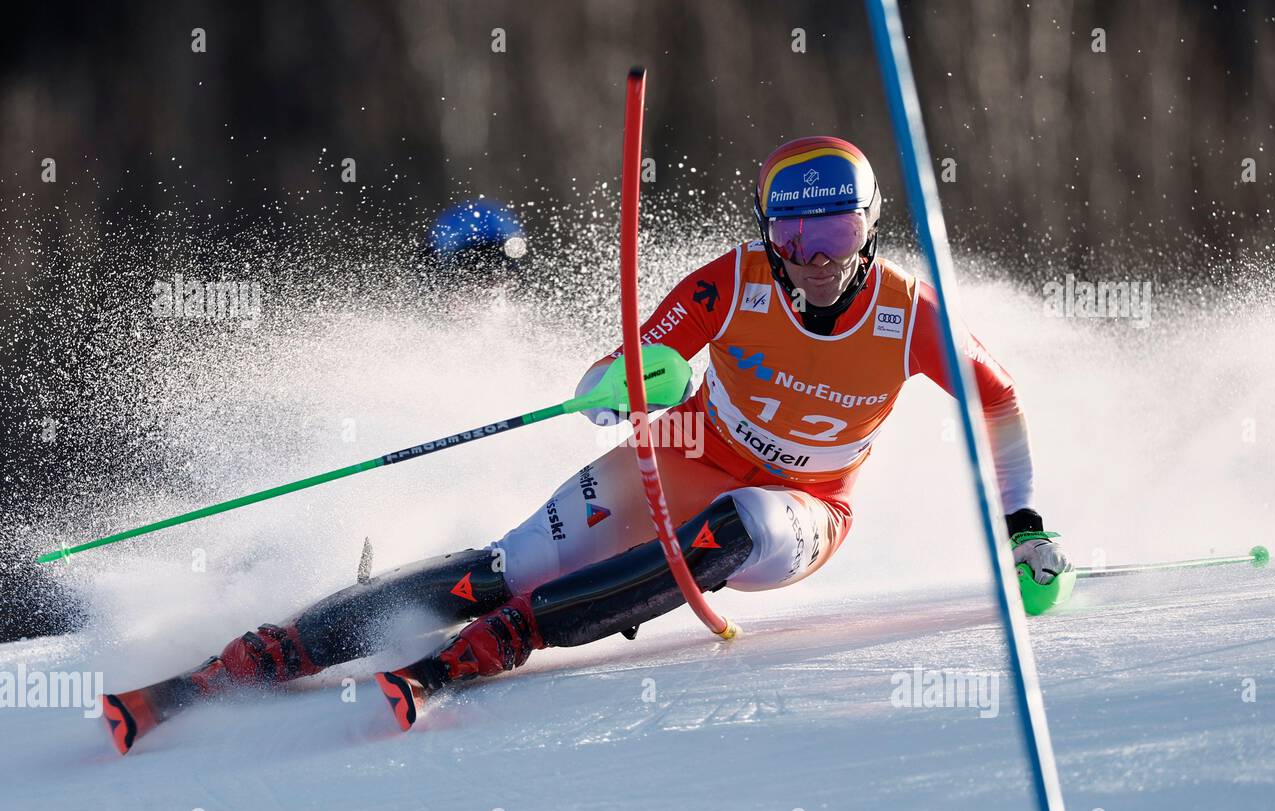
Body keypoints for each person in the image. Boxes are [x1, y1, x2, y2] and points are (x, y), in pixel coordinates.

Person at [101, 136, 1071, 753]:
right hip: (692, 443)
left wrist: (1023, 522)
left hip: (807, 502)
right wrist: (626, 382)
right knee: (504, 563)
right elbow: (635, 358)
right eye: (795, 232)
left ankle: (497, 647)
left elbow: (1000, 402)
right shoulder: (729, 281)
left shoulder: (910, 315)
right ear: (768, 232)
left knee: (740, 525)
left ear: (869, 228)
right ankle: (246, 660)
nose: (816, 259)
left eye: (838, 232)